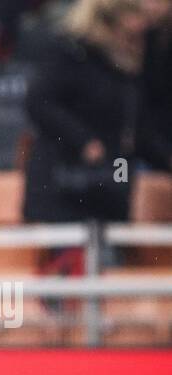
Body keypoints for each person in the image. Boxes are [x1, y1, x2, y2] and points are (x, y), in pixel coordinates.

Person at [22, 0, 172, 224]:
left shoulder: (129, 71)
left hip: (110, 193)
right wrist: (85, 141)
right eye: (131, 34)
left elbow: (139, 132)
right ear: (109, 23)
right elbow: (39, 102)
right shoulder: (70, 53)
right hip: (61, 188)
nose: (138, 41)